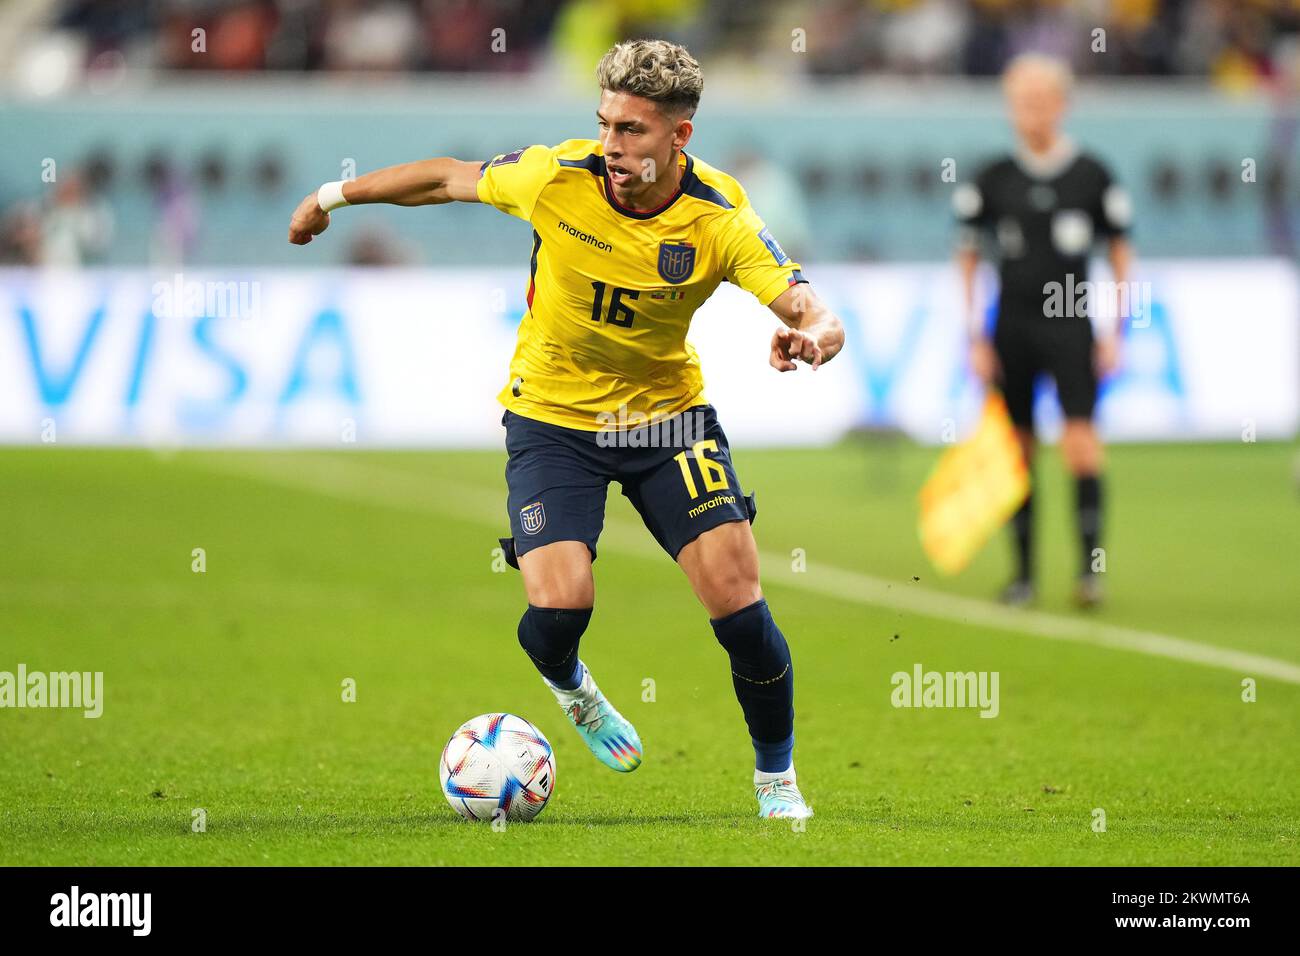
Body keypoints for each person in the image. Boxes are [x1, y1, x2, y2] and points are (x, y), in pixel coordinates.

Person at [288, 38, 845, 818]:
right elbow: (447, 177)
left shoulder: (720, 218)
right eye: (606, 124)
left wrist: (812, 338)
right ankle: (571, 685)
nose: (612, 146)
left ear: (679, 137)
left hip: (664, 422)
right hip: (552, 417)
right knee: (558, 611)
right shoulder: (555, 177)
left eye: (633, 131)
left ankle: (776, 780)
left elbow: (810, 306)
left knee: (738, 603)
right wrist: (331, 197)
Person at [955, 53, 1134, 609]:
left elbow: (1121, 254)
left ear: (1061, 104)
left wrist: (1116, 331)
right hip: (1011, 325)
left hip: (1071, 324)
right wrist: (974, 336)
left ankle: (1089, 574)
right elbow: (967, 257)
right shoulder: (991, 178)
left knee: (1081, 443)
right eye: (1021, 101)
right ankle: (1024, 576)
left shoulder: (1093, 175)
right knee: (1019, 449)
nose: (1030, 111)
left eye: (1040, 99)